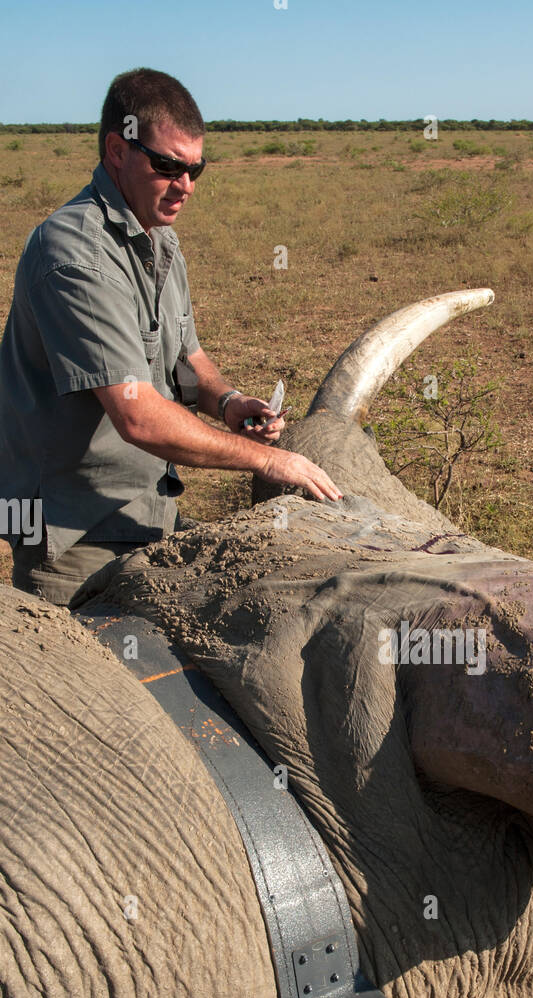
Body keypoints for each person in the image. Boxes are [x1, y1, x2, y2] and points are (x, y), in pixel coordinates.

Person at [0, 67, 342, 607]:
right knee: (98, 690)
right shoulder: (75, 254)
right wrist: (266, 460)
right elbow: (136, 415)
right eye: (166, 166)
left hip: (149, 508)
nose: (183, 185)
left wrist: (228, 402)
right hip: (75, 538)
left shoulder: (159, 240)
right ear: (117, 149)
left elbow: (188, 358)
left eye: (195, 169)